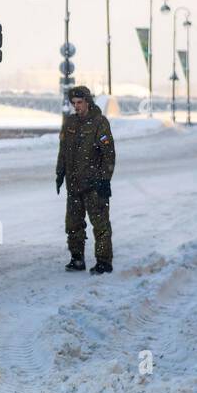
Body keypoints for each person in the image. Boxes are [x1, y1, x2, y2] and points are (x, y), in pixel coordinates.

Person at [55, 86, 114, 273]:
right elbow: (63, 151)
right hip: (74, 185)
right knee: (73, 224)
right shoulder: (70, 123)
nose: (76, 107)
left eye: (79, 103)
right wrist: (60, 173)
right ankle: (77, 258)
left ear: (88, 102)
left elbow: (109, 154)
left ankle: (104, 262)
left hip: (94, 184)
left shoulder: (99, 123)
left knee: (100, 225)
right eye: (74, 103)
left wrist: (105, 179)